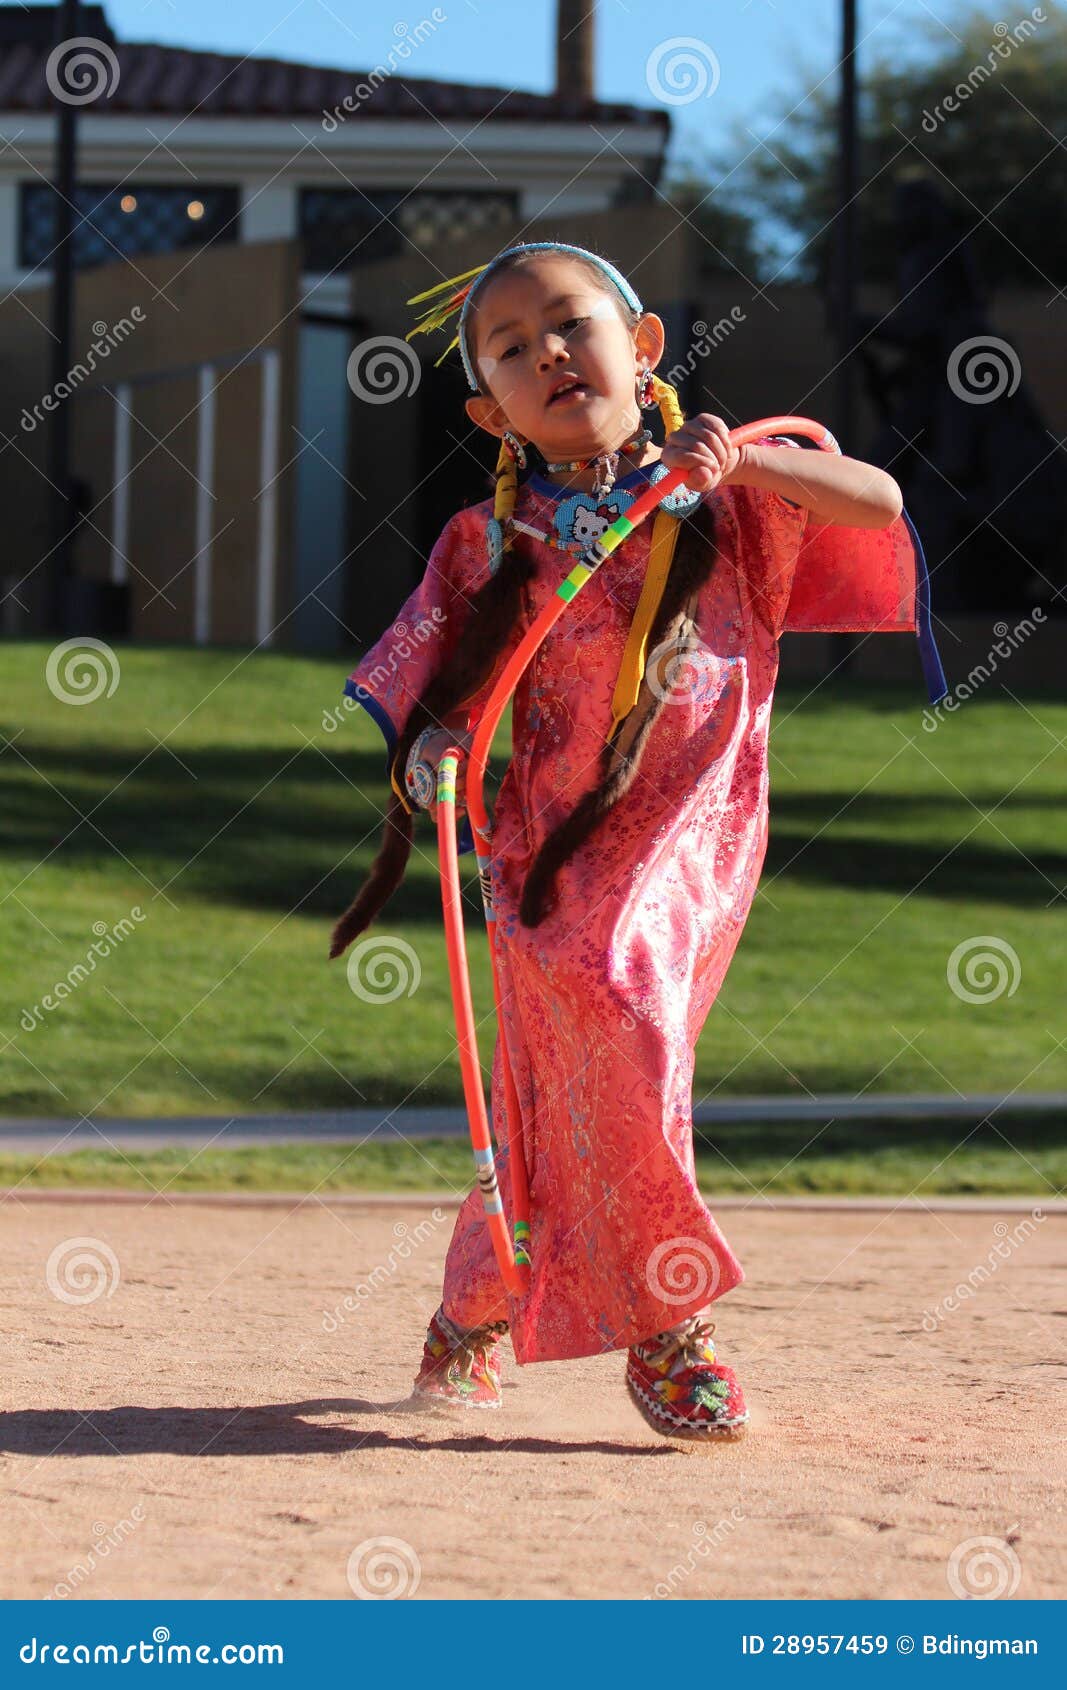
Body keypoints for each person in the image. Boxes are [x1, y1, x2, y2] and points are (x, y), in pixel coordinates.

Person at [330, 240, 943, 1441]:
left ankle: (658, 1324)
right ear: (485, 408)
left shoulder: (728, 497)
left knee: (621, 1021)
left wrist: (743, 457)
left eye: (570, 324)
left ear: (643, 345)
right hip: (539, 849)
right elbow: (433, 691)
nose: (547, 352)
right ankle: (486, 1305)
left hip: (688, 835)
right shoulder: (483, 540)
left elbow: (879, 501)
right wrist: (428, 753)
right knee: (550, 1086)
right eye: (509, 348)